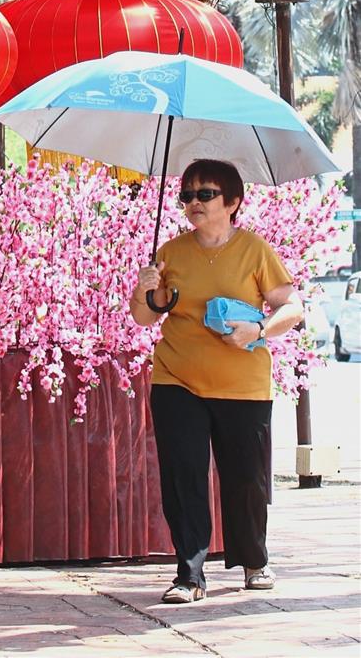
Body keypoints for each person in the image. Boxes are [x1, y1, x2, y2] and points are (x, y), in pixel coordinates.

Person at [129, 158, 302, 604]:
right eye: (187, 195)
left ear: (233, 202)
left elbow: (292, 307)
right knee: (182, 474)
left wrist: (258, 330)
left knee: (245, 478)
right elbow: (146, 316)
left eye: (205, 194)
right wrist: (144, 287)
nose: (193, 203)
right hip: (176, 378)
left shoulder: (255, 251)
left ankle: (254, 560)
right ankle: (189, 573)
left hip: (242, 384)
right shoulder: (170, 252)